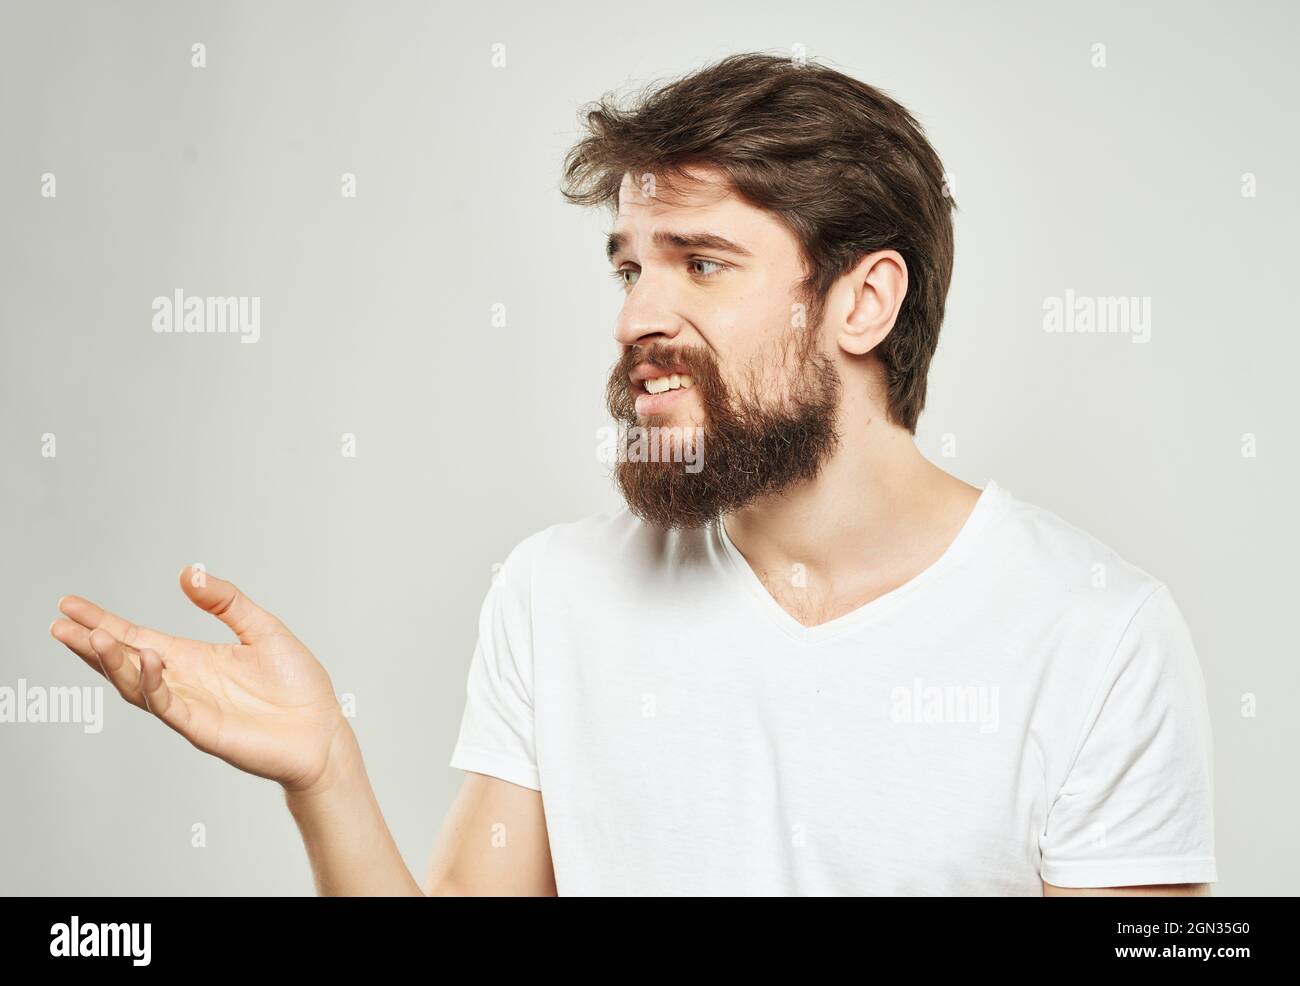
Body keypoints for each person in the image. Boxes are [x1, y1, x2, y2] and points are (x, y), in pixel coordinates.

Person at [48, 52, 1215, 896]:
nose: (636, 319)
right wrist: (325, 774)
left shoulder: (1093, 633)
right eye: (628, 269)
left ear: (862, 300)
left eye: (702, 263)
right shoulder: (554, 595)